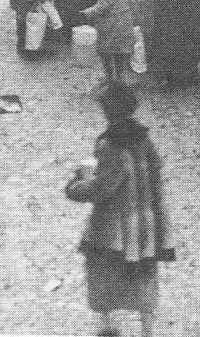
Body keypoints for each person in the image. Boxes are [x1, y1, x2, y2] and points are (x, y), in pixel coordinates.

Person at [65, 84, 173, 337]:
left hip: (114, 226)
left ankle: (107, 324)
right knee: (143, 272)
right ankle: (147, 327)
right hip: (146, 220)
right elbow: (155, 167)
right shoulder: (144, 137)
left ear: (107, 111)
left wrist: (75, 184)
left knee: (103, 269)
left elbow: (103, 188)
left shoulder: (110, 144)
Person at [82, 0, 139, 89]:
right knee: (120, 53)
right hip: (124, 22)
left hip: (110, 24)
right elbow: (131, 0)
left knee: (105, 52)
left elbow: (103, 6)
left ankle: (109, 79)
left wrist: (88, 12)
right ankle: (120, 78)